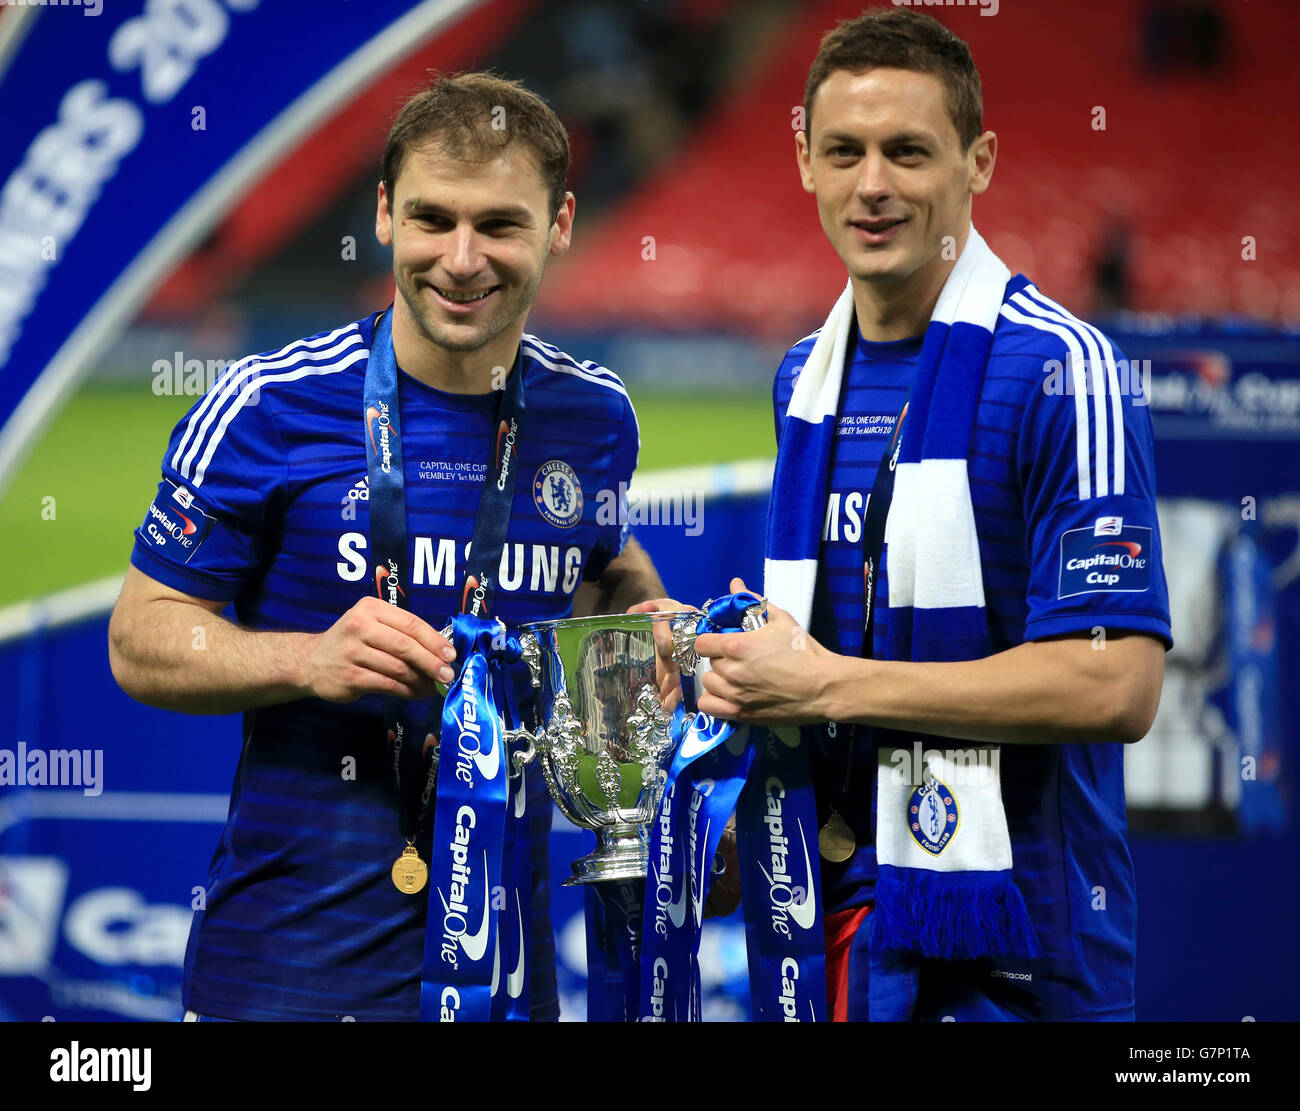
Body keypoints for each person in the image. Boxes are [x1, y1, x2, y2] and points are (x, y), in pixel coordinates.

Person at [108, 72, 666, 1022]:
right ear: (382, 215)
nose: (460, 258)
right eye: (431, 218)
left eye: (499, 224)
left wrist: (643, 617)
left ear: (560, 222)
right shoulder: (267, 404)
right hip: (286, 972)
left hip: (505, 974)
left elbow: (599, 566)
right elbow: (140, 637)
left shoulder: (595, 417)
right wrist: (308, 656)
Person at [684, 9, 1170, 1021]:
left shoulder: (1061, 372)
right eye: (844, 151)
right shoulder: (802, 382)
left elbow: (1113, 681)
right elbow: (835, 650)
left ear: (977, 162)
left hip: (1021, 952)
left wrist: (825, 679)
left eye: (908, 151)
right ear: (804, 161)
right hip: (832, 927)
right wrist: (735, 657)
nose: (873, 185)